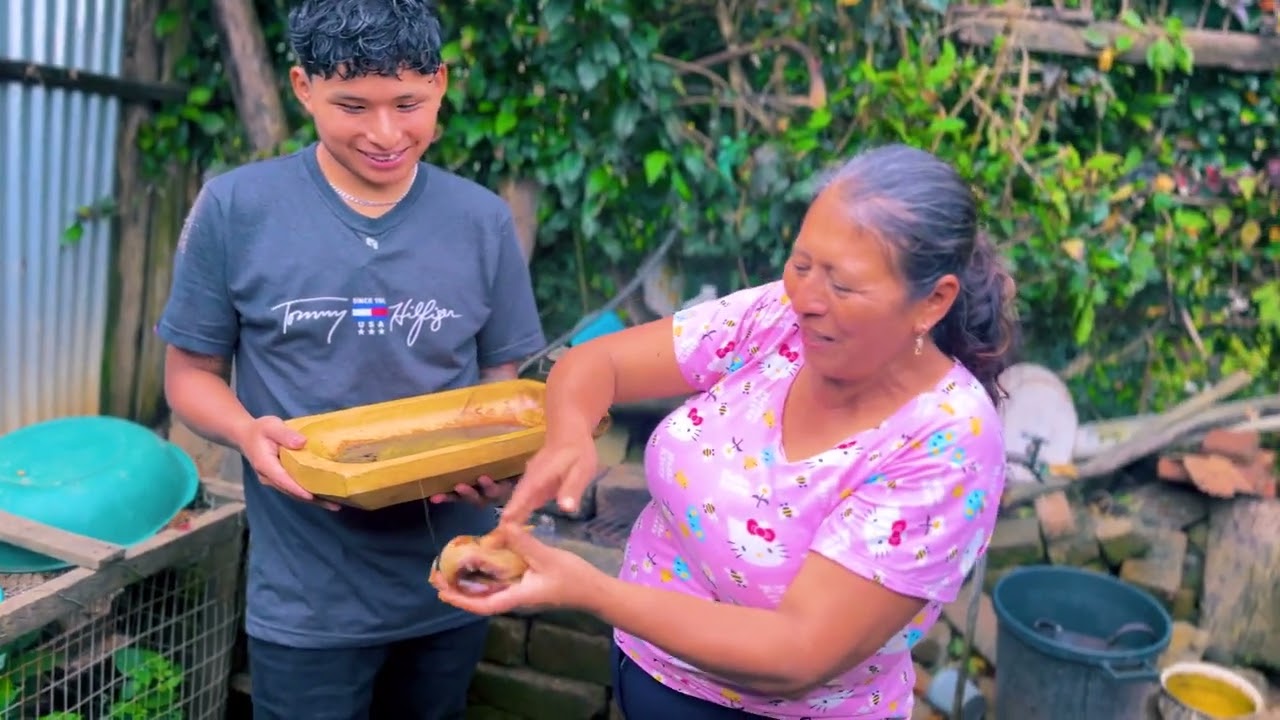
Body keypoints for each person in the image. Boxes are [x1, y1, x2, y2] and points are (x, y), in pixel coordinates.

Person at [432, 144, 1019, 719]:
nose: (806, 298)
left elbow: (796, 651)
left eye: (842, 286)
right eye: (801, 263)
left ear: (932, 302)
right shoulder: (775, 321)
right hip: (645, 670)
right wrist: (568, 437)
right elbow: (595, 365)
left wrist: (589, 590)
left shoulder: (947, 441)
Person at [157, 0, 546, 717]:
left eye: (408, 102)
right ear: (303, 87)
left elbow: (502, 386)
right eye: (352, 106)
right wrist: (248, 432)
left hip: (451, 581)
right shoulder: (236, 209)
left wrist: (496, 471)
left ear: (441, 83)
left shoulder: (481, 220)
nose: (386, 133)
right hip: (307, 599)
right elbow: (189, 377)